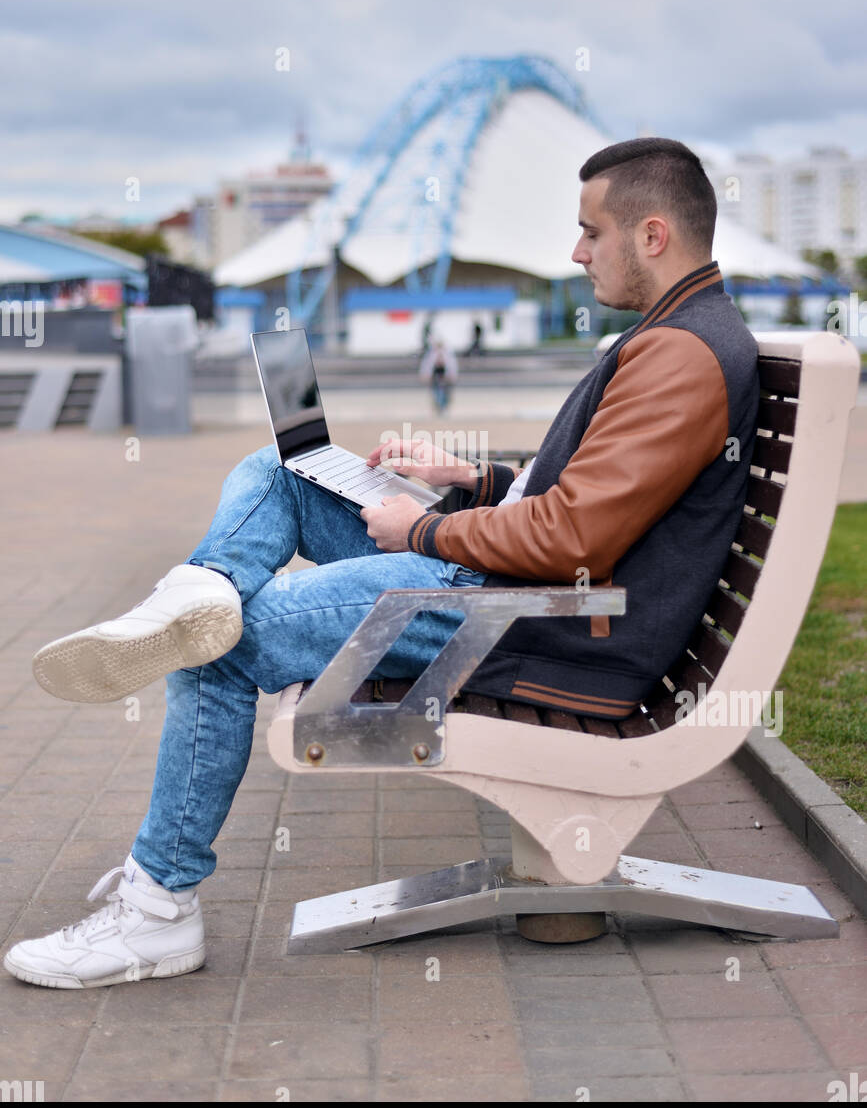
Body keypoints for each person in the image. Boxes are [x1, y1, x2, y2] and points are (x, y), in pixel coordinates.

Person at [5, 137, 758, 988]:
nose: (576, 252)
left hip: (539, 621)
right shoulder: (677, 337)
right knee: (280, 472)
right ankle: (196, 583)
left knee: (216, 640)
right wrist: (471, 479)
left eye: (591, 232)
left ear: (651, 234)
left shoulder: (679, 355)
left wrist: (423, 532)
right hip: (517, 584)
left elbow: (575, 542)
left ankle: (158, 911)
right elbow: (585, 506)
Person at [419, 337, 458, 412]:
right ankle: (439, 406)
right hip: (435, 376)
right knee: (437, 392)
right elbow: (427, 366)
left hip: (445, 376)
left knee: (446, 393)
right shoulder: (431, 354)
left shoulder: (448, 354)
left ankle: (443, 406)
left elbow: (452, 366)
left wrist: (452, 375)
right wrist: (425, 375)